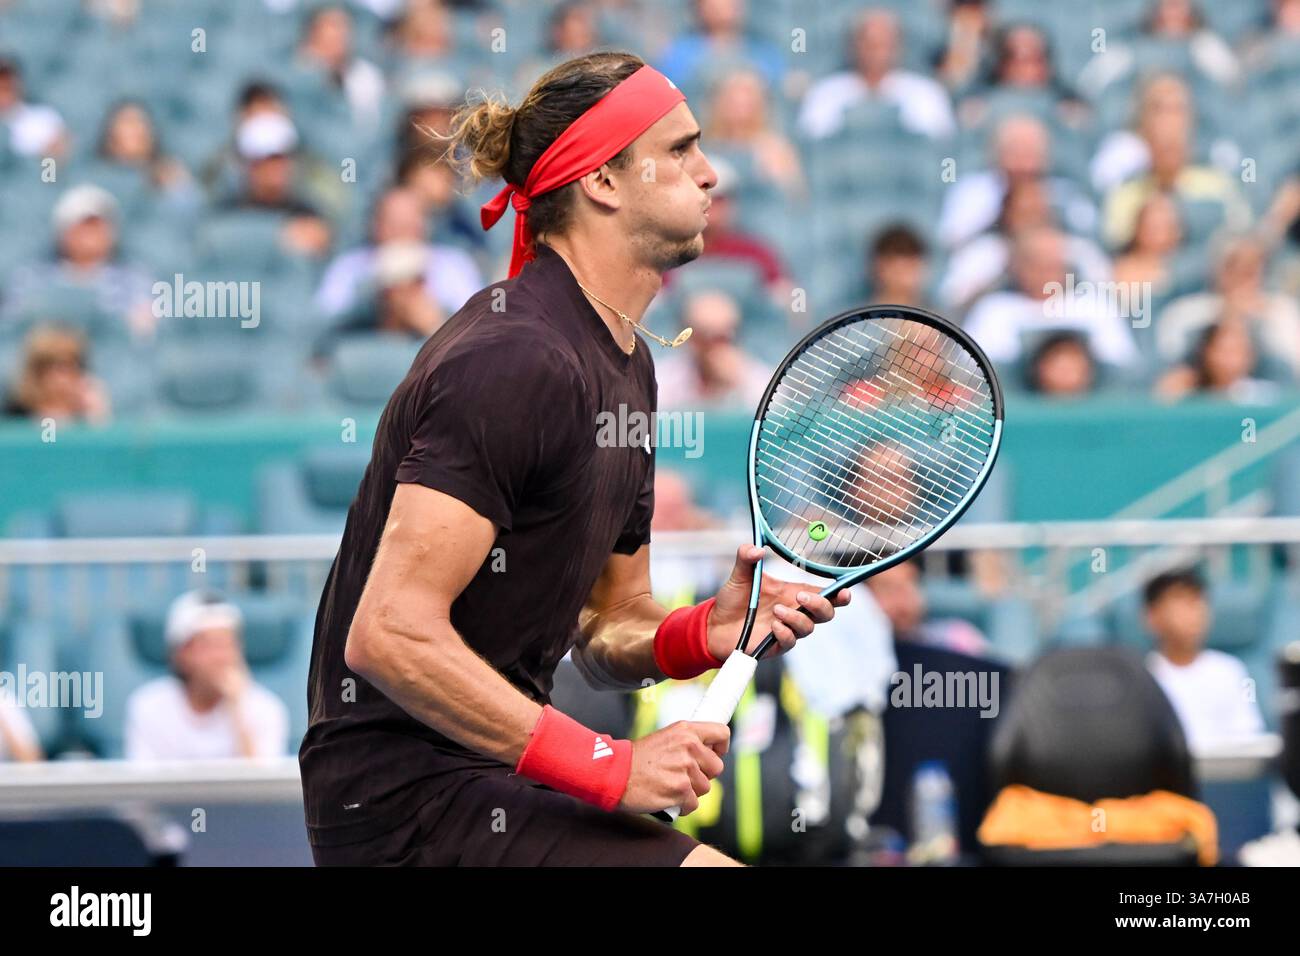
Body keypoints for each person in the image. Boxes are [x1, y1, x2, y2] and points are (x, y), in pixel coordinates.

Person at [299, 52, 849, 868]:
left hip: (497, 784)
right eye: (682, 149)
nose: (710, 173)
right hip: (405, 804)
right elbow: (387, 633)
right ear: (603, 181)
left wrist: (706, 631)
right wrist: (610, 766)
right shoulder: (515, 357)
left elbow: (606, 626)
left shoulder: (629, 363)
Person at [125, 591, 290, 760]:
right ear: (180, 654)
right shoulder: (147, 706)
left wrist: (236, 709)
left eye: (228, 644)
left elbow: (263, 784)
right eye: (209, 646)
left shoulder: (267, 709)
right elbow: (143, 783)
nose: (222, 657)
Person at [1143, 569, 1266, 750]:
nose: (1195, 612)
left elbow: (1249, 737)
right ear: (1152, 616)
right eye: (1181, 601)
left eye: (1198, 601)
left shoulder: (1231, 670)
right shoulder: (1141, 676)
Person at [798, 8, 955, 142]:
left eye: (884, 45)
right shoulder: (825, 93)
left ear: (898, 46)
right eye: (870, 44)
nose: (877, 54)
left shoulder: (927, 93)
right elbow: (813, 144)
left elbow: (941, 147)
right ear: (853, 46)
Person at [865, 560, 990, 658]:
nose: (902, 600)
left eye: (909, 585)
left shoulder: (959, 638)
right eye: (888, 589)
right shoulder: (857, 653)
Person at [2, 325, 111, 423]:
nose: (61, 378)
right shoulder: (15, 413)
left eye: (69, 367)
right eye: (54, 368)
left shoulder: (84, 411)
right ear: (37, 372)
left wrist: (96, 415)